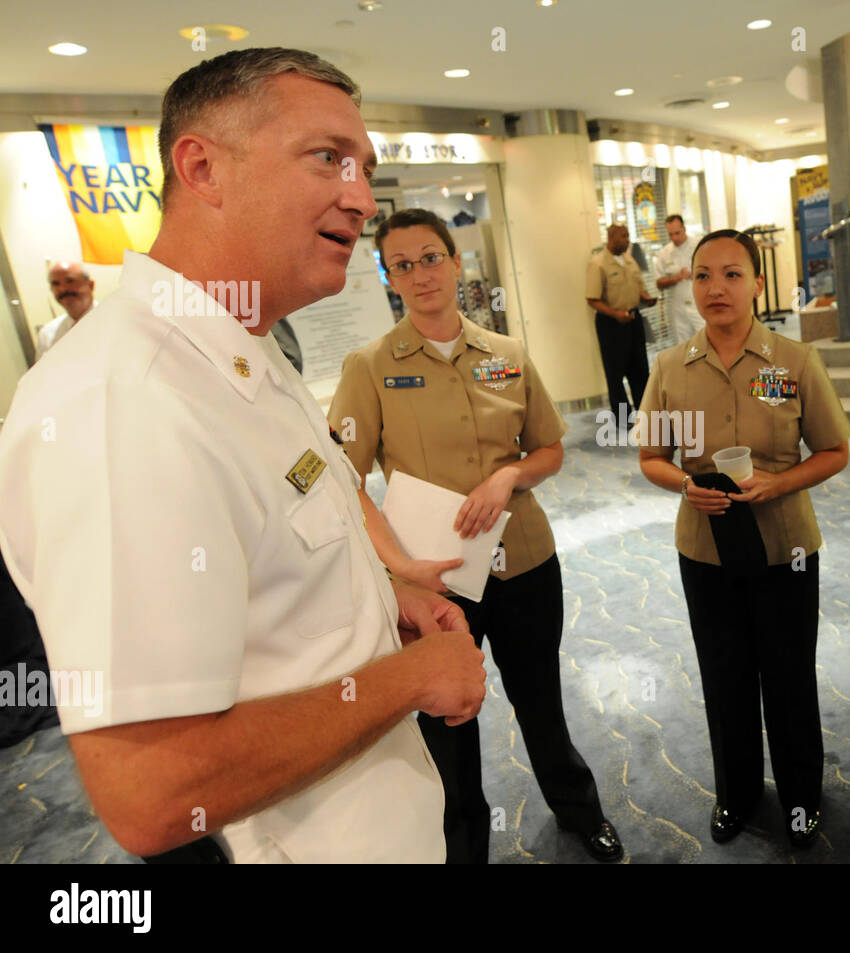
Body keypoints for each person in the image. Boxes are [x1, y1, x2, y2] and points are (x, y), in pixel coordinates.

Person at [0, 47, 487, 863]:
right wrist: (410, 677)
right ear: (202, 167)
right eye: (327, 157)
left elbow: (283, 548)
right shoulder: (126, 401)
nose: (361, 196)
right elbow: (152, 789)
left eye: (363, 167)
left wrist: (388, 594)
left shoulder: (244, 352)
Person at [329, 208, 622, 863]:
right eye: (401, 264)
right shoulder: (369, 366)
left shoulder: (507, 355)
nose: (420, 273)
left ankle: (579, 810)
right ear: (388, 278)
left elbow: (551, 447)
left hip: (524, 562)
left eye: (431, 256)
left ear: (457, 263)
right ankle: (463, 847)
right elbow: (339, 483)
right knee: (446, 722)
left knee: (540, 698)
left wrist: (510, 474)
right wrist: (399, 565)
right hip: (434, 581)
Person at [638, 228, 850, 847]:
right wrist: (684, 484)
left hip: (784, 546)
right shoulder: (671, 369)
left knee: (788, 678)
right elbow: (652, 456)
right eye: (703, 275)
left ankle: (802, 801)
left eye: (732, 274)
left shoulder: (795, 361)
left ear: (758, 284)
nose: (716, 288)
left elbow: (835, 451)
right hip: (706, 548)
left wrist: (779, 483)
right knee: (724, 675)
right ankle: (736, 795)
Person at [587, 223, 657, 427]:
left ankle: (644, 413)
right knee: (615, 372)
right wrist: (616, 314)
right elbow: (592, 299)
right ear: (611, 238)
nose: (627, 240)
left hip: (633, 320)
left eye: (627, 236)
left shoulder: (630, 260)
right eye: (623, 237)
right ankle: (623, 418)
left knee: (640, 368)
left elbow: (639, 289)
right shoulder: (598, 264)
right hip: (611, 323)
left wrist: (647, 298)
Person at [654, 214, 705, 345]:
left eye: (677, 233)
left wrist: (694, 274)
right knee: (683, 347)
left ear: (684, 229)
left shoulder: (699, 245)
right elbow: (659, 283)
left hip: (698, 304)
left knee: (706, 342)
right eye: (670, 234)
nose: (674, 238)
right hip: (678, 308)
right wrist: (676, 278)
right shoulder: (665, 253)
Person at [36, 261, 95, 358]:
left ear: (90, 285)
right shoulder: (47, 333)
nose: (63, 289)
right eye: (56, 284)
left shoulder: (118, 321)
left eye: (70, 281)